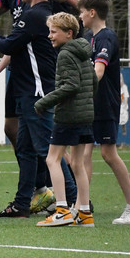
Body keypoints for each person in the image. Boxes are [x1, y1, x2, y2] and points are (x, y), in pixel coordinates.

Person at [0, 0, 75, 218]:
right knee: (26, 149)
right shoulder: (37, 13)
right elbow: (14, 43)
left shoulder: (34, 14)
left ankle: (75, 200)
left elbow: (10, 44)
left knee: (48, 149)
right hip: (29, 90)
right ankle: (22, 204)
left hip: (37, 93)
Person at [78, 0, 130, 224]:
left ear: (92, 12)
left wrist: (81, 88)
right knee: (84, 151)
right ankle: (81, 207)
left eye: (82, 11)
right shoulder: (88, 36)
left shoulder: (106, 38)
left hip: (104, 103)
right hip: (90, 103)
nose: (80, 15)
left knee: (108, 153)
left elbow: (98, 71)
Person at [34, 13, 96, 228]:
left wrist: (43, 102)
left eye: (53, 31)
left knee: (52, 159)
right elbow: (93, 81)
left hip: (69, 115)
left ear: (68, 33)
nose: (49, 36)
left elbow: (70, 86)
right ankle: (84, 213)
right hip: (86, 115)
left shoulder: (65, 54)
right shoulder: (83, 52)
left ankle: (62, 210)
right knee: (78, 163)